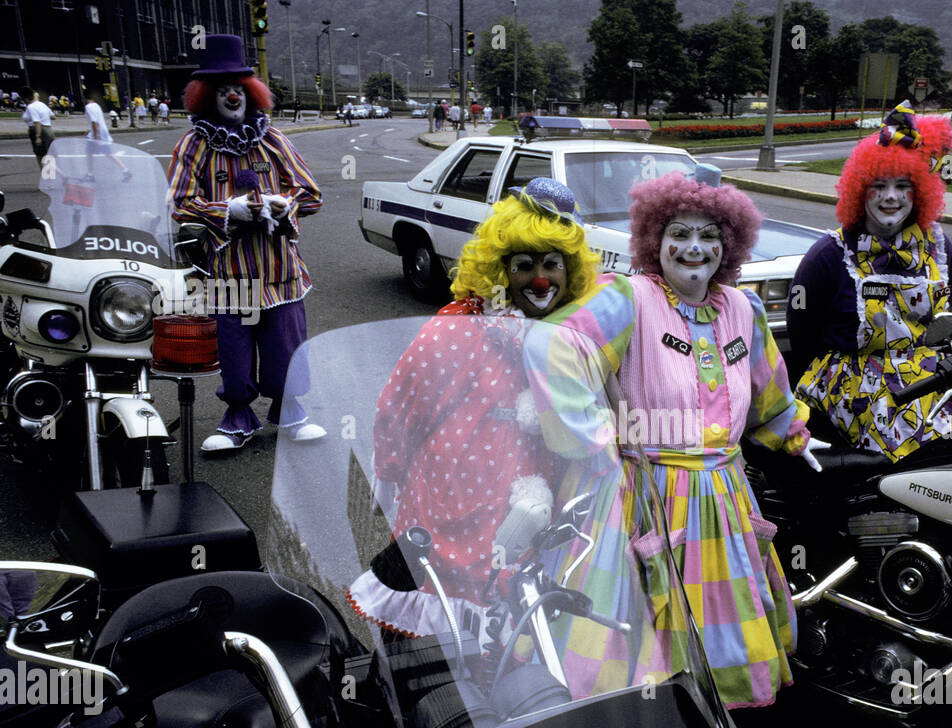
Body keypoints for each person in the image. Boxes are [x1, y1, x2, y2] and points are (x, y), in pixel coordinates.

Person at [533, 165, 824, 708]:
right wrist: (594, 438)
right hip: (643, 494)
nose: (695, 248)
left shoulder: (743, 309)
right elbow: (552, 347)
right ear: (655, 241)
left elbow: (768, 390)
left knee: (717, 621)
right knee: (640, 623)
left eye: (709, 235)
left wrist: (794, 435)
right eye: (680, 234)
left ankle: (707, 727)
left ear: (729, 245)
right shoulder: (630, 299)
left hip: (723, 497)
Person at [347, 178, 602, 635]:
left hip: (527, 501)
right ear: (499, 268)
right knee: (437, 632)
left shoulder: (568, 337)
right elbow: (402, 406)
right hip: (449, 497)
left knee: (512, 621)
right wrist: (387, 470)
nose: (540, 279)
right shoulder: (461, 327)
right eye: (524, 265)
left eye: (553, 264)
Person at [166, 33, 326, 453]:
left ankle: (290, 412)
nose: (232, 96)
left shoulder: (273, 140)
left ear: (249, 92)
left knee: (286, 349)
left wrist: (281, 207)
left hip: (281, 272)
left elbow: (311, 194)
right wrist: (227, 211)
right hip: (229, 274)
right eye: (223, 90)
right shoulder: (194, 145)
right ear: (206, 96)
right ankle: (237, 416)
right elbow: (180, 203)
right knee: (235, 355)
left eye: (238, 88)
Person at [789, 102, 952, 463]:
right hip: (848, 393)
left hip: (927, 387)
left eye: (903, 185)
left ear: (919, 191)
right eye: (879, 185)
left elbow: (946, 318)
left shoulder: (939, 246)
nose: (891, 197)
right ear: (860, 190)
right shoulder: (828, 254)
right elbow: (802, 335)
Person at [84, 92, 130, 178]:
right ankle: (125, 170)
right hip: (101, 131)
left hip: (97, 133)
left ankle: (90, 174)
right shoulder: (96, 105)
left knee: (89, 152)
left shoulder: (88, 107)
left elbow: (94, 122)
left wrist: (95, 137)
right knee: (108, 153)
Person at [20, 88, 53, 169]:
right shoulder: (41, 104)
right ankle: (54, 176)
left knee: (40, 156)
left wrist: (38, 137)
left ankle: (46, 178)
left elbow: (36, 122)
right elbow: (53, 116)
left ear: (26, 99)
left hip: (38, 131)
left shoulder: (31, 107)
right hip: (48, 129)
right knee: (48, 155)